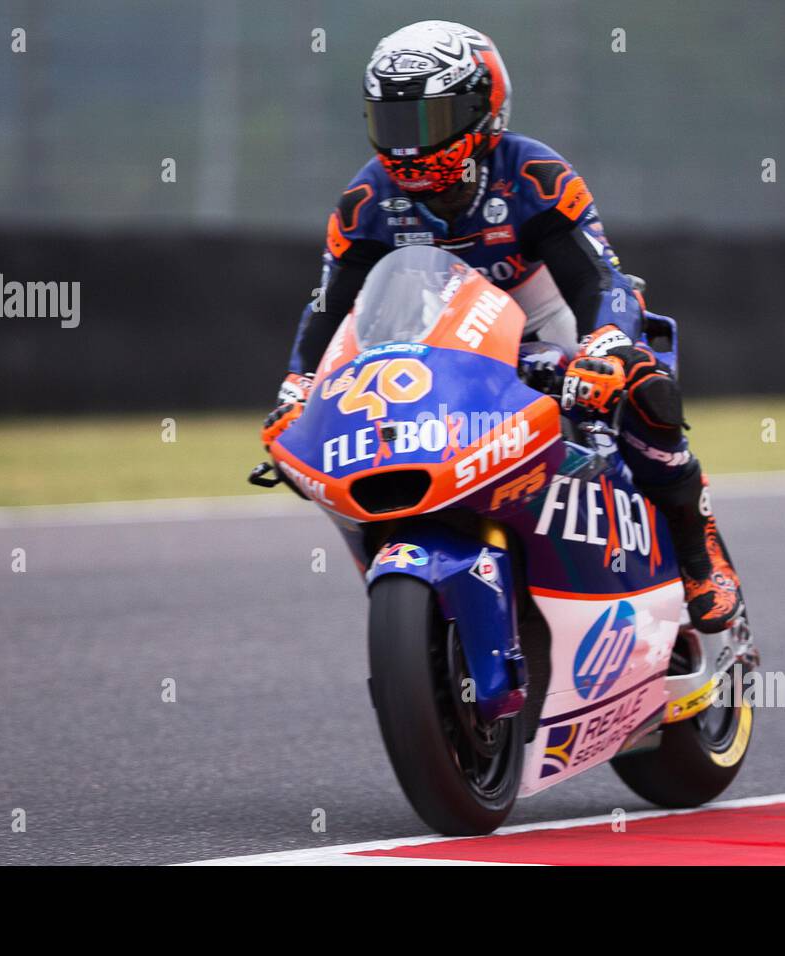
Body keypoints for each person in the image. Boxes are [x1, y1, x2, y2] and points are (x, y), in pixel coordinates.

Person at [262, 20, 744, 632]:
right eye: (392, 123)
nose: (406, 146)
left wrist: (605, 347)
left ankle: (698, 547)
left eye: (426, 122)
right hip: (434, 338)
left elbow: (601, 279)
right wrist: (298, 382)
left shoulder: (535, 175)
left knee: (640, 384)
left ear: (481, 111)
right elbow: (331, 305)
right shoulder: (365, 201)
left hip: (543, 317)